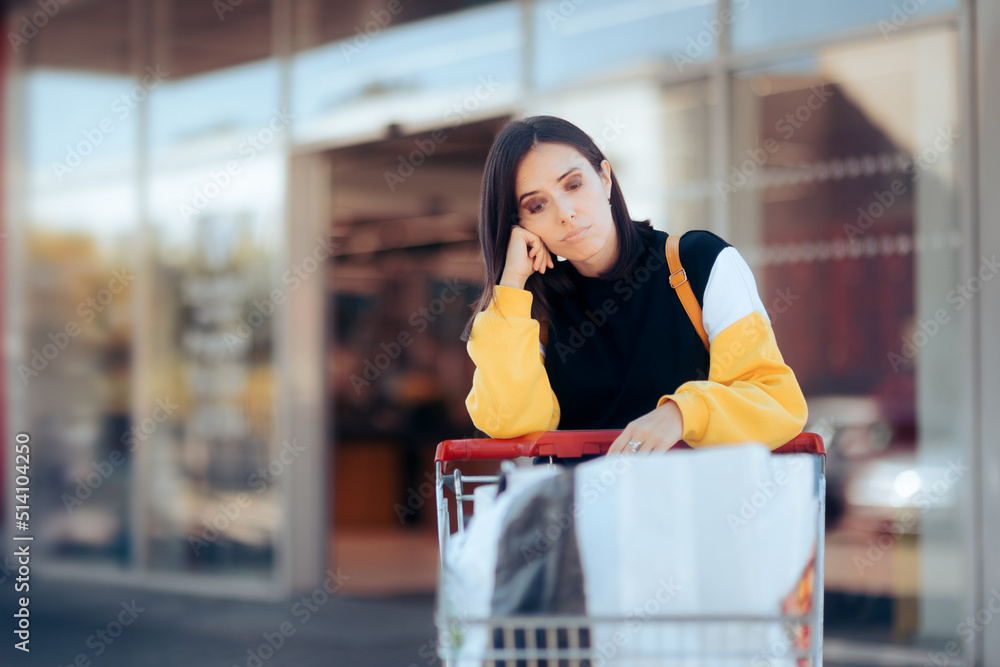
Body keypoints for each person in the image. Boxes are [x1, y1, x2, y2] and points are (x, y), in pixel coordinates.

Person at [462, 115, 807, 458]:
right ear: (519, 225)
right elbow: (512, 423)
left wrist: (682, 413)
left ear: (605, 178)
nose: (565, 213)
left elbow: (776, 401)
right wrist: (511, 286)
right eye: (537, 205)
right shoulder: (534, 311)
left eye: (573, 185)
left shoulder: (699, 263)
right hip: (583, 510)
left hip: (697, 506)